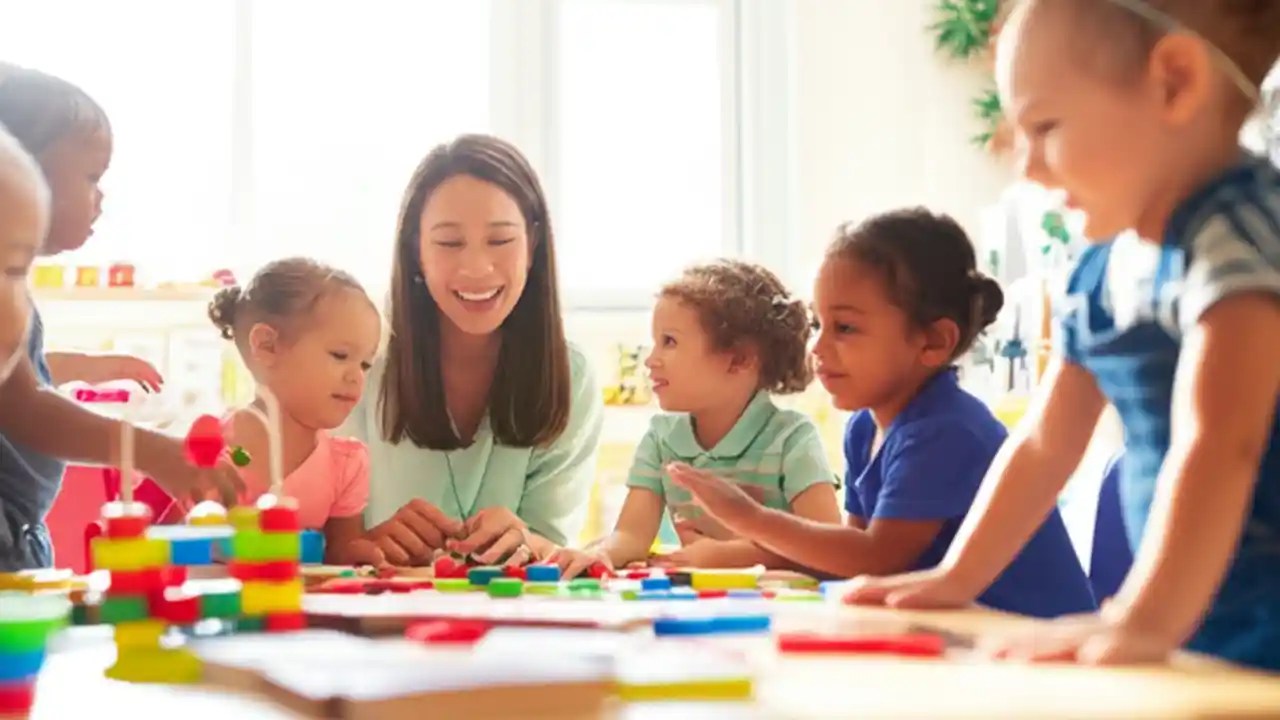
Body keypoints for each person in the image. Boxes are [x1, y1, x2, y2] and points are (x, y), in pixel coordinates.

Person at [846, 0, 1280, 670]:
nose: (1028, 167)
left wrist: (1141, 619)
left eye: (1043, 127)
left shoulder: (1238, 237)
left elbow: (1222, 444)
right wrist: (956, 579)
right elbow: (1046, 444)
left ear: (1174, 82)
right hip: (1196, 619)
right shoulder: (1099, 269)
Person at [674, 210, 1096, 618]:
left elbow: (878, 558)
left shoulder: (945, 430)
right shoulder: (864, 427)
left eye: (845, 328)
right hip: (954, 630)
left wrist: (751, 519)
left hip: (1026, 636)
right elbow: (851, 552)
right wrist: (735, 554)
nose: (817, 348)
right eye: (818, 324)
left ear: (933, 341)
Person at [0, 66, 241, 570]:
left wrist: (85, 365)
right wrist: (154, 452)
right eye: (90, 177)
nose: (100, 197)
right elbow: (24, 406)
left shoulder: (15, 298)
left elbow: (20, 375)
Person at [342, 134, 603, 567]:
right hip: (380, 619)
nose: (477, 269)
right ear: (416, 250)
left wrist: (528, 541)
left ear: (533, 244)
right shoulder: (360, 361)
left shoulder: (569, 375)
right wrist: (356, 543)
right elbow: (283, 495)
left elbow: (551, 543)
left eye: (500, 241)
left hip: (514, 624)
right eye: (449, 243)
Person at [551, 261, 841, 578]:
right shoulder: (661, 438)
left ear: (739, 359)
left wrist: (731, 556)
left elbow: (831, 547)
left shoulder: (793, 439)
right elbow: (632, 535)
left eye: (670, 342)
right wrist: (599, 554)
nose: (651, 359)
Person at [206, 258, 380, 563]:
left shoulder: (346, 464)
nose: (357, 377)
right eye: (340, 355)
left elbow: (343, 552)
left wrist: (373, 555)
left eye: (365, 364)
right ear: (267, 346)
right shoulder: (216, 450)